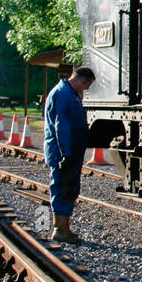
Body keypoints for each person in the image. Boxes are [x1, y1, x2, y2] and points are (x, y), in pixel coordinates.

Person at [43, 66, 95, 242]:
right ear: (81, 80)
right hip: (63, 150)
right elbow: (61, 126)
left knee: (66, 186)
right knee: (62, 186)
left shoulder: (65, 92)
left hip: (65, 149)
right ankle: (60, 229)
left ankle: (63, 227)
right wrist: (66, 153)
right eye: (87, 86)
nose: (86, 90)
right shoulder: (64, 95)